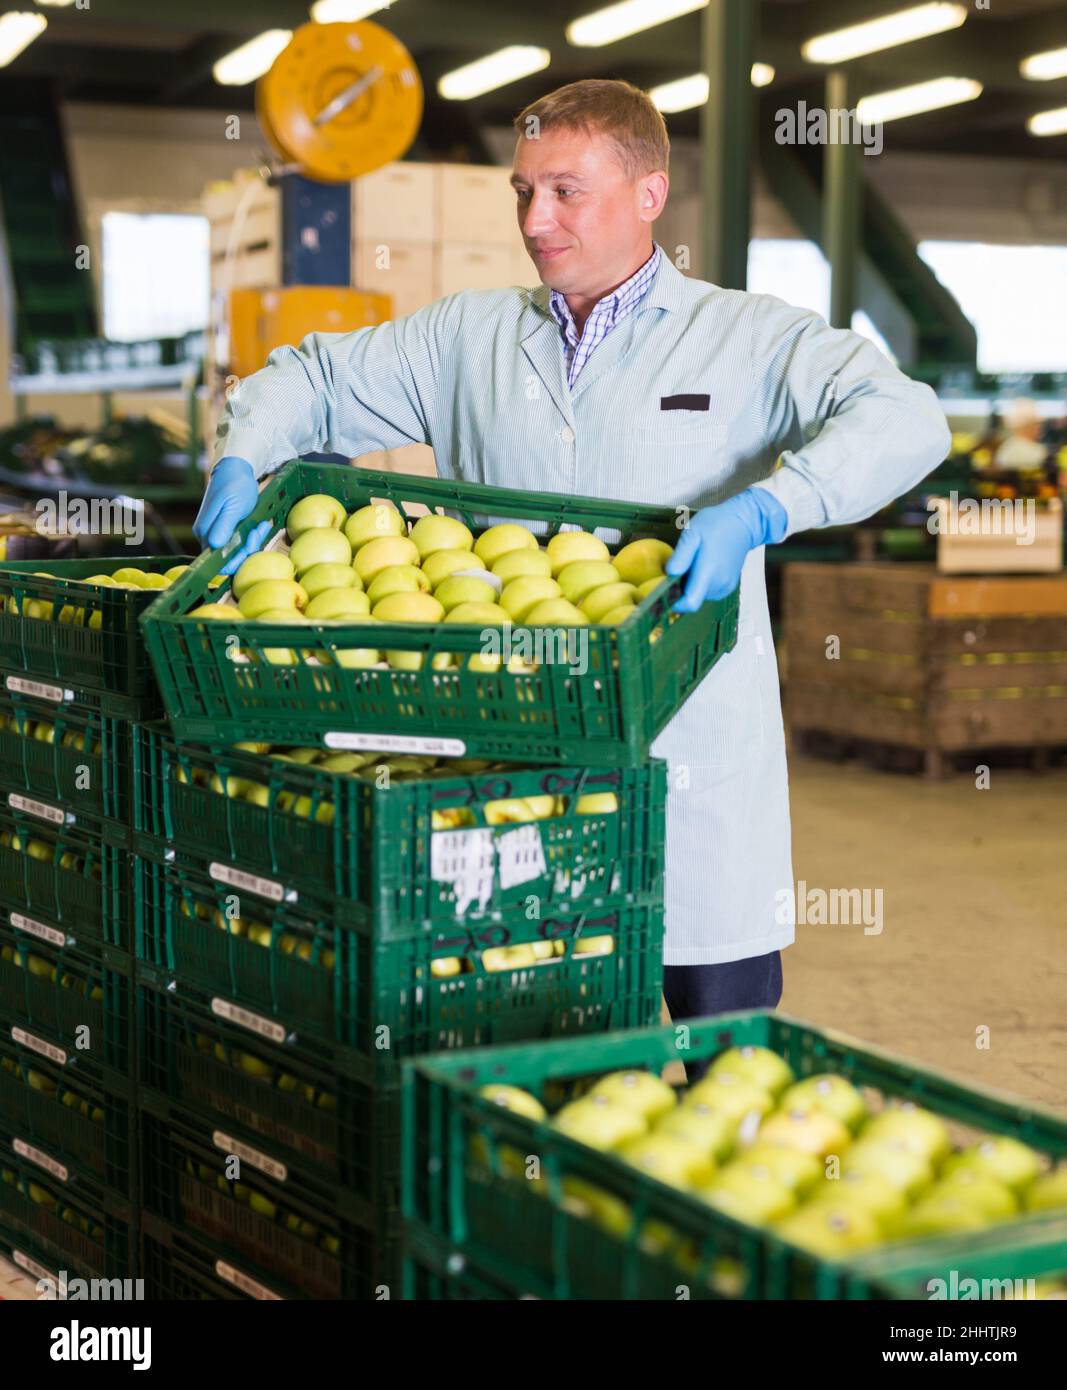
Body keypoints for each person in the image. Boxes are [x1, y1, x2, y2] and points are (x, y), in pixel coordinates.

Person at [194, 79, 950, 1031]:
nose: (535, 220)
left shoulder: (746, 338)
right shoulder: (464, 337)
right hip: (516, 779)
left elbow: (905, 417)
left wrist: (768, 507)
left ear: (648, 194)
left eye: (565, 191)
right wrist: (247, 452)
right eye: (522, 193)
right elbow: (311, 374)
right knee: (544, 1055)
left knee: (722, 1057)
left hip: (693, 774)